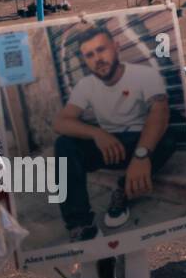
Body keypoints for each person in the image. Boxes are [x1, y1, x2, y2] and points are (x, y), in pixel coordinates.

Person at [53, 28, 177, 242]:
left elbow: (160, 111)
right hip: (109, 148)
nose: (97, 59)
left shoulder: (144, 74)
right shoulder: (86, 85)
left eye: (101, 49)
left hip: (140, 143)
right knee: (64, 144)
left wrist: (141, 155)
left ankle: (123, 189)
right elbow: (61, 122)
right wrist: (97, 133)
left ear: (116, 47)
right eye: (89, 55)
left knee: (169, 136)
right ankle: (80, 226)